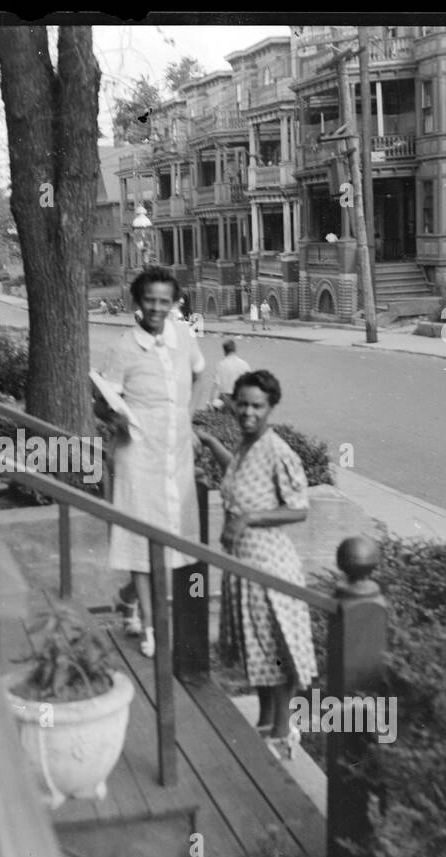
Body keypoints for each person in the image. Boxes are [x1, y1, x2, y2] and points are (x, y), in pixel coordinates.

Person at [193, 370, 317, 758]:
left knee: (276, 651)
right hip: (245, 566)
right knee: (259, 649)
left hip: (270, 566)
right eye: (242, 403)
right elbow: (242, 476)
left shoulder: (278, 451)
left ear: (271, 408)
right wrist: (213, 443)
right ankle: (266, 723)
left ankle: (282, 733)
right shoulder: (248, 445)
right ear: (232, 403)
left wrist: (248, 519)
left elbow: (298, 509)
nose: (248, 411)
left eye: (257, 406)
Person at [95, 265, 206, 658]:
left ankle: (130, 600)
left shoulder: (184, 335)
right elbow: (104, 403)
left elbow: (199, 376)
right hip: (138, 454)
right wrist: (116, 419)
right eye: (150, 301)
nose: (158, 308)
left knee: (175, 534)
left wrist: (188, 420)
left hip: (175, 452)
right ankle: (152, 625)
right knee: (142, 539)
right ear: (137, 303)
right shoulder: (124, 348)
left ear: (175, 302)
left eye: (165, 301)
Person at [212, 339, 251, 411]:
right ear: (235, 350)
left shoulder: (221, 365)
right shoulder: (245, 365)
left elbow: (217, 387)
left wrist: (212, 403)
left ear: (224, 351)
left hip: (225, 401)